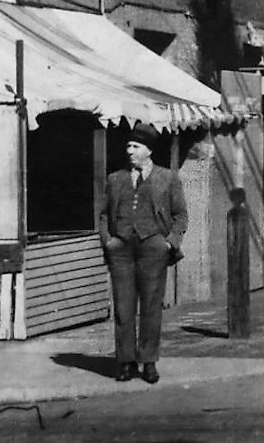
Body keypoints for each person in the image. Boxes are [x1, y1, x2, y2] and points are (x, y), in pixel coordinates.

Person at [99, 122, 187, 384]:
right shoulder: (115, 179)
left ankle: (149, 362)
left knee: (151, 307)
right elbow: (104, 215)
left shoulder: (167, 178)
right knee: (124, 308)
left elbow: (180, 215)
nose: (130, 151)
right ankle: (125, 362)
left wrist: (169, 242)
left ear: (149, 150)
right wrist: (108, 241)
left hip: (153, 248)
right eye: (128, 145)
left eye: (135, 146)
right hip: (122, 249)